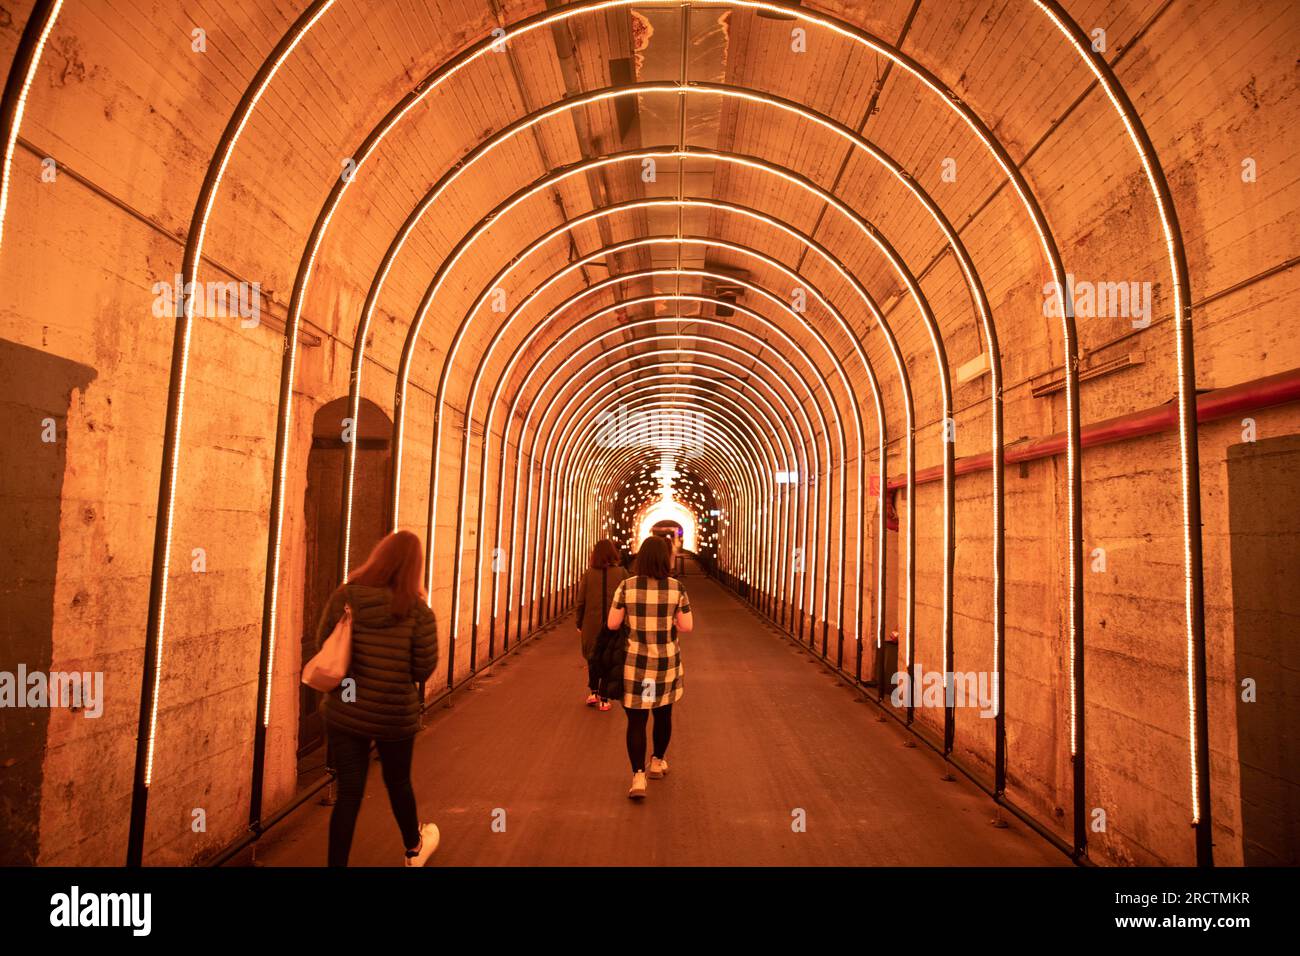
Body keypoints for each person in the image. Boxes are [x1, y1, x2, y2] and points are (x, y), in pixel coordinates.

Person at [313, 530, 440, 867]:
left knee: (349, 794)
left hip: (346, 710)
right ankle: (413, 848)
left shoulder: (347, 596)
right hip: (393, 713)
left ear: (379, 556)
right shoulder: (417, 611)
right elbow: (421, 668)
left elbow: (323, 642)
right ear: (415, 567)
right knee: (398, 782)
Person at [606, 535, 693, 799]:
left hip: (638, 665)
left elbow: (612, 623)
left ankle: (638, 777)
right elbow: (687, 626)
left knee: (637, 719)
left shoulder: (627, 586)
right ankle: (657, 761)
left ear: (640, 557)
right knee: (663, 714)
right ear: (666, 558)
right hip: (665, 664)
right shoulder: (677, 588)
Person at [574, 539, 628, 711]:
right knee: (610, 660)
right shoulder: (622, 573)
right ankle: (604, 699)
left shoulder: (589, 574)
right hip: (615, 624)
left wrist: (579, 622)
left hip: (591, 623)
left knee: (593, 657)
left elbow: (581, 601)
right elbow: (629, 600)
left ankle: (593, 693)